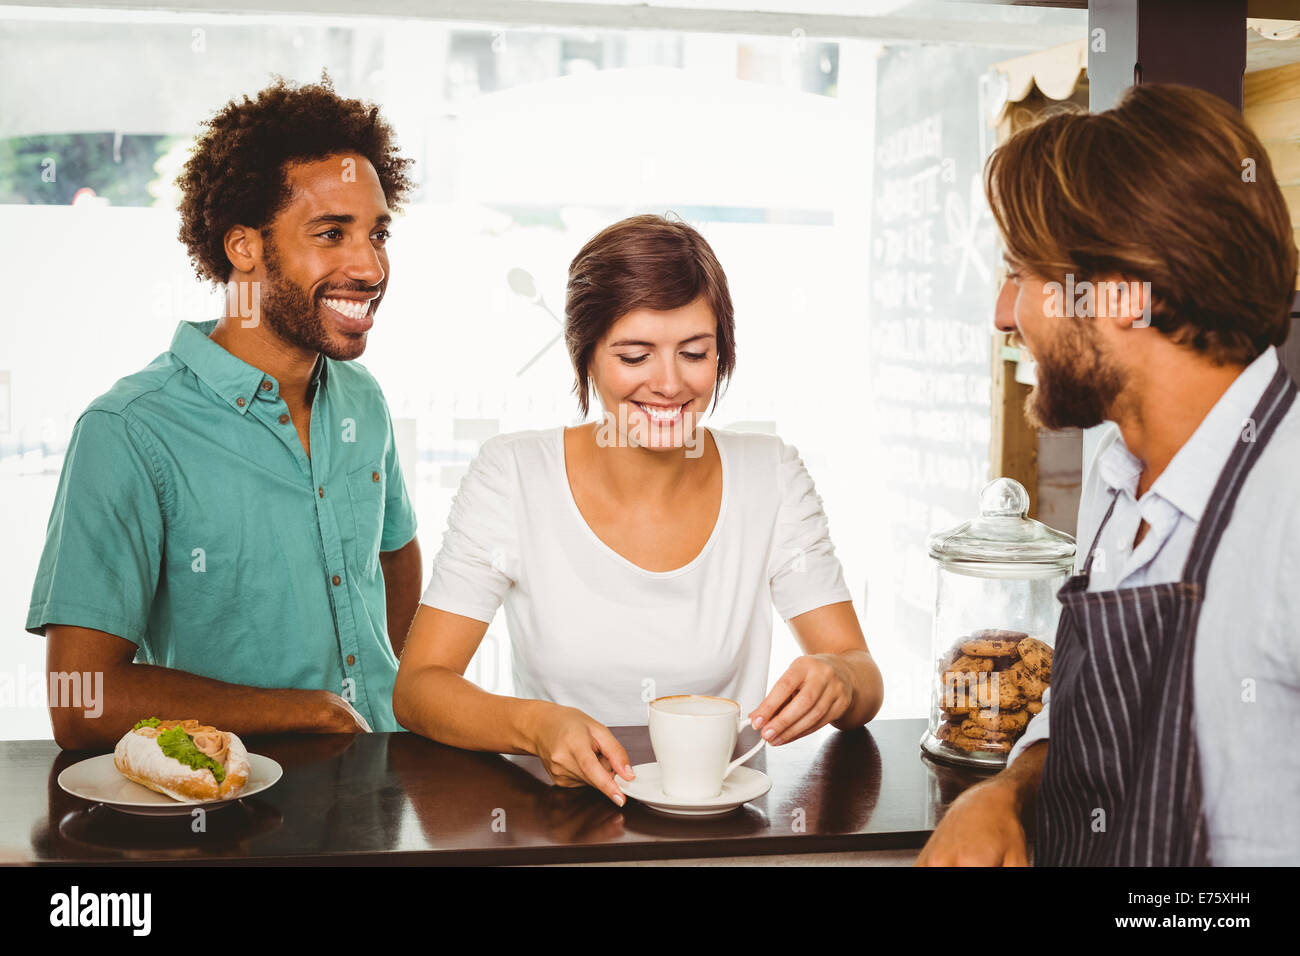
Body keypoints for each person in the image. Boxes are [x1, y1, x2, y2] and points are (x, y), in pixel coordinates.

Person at [917, 83, 1300, 866]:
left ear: (1125, 294)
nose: (1002, 313)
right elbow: (1091, 714)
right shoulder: (1115, 471)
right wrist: (1006, 792)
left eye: (1022, 273)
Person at [394, 214, 883, 805]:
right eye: (634, 357)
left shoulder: (771, 475)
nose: (670, 384)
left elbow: (862, 675)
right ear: (588, 358)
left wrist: (841, 680)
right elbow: (419, 689)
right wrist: (537, 726)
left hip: (719, 826)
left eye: (695, 353)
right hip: (563, 819)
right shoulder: (514, 474)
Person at [27, 77, 423, 747]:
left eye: (377, 234)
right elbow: (83, 700)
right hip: (231, 822)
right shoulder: (128, 430)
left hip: (384, 802)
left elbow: (395, 560)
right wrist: (310, 710)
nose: (370, 266)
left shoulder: (362, 399)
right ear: (244, 247)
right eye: (331, 233)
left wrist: (408, 697)